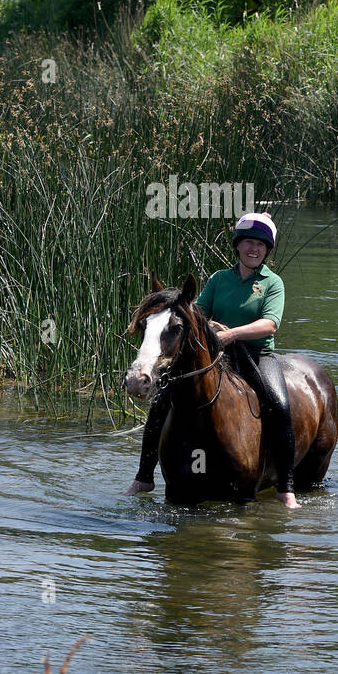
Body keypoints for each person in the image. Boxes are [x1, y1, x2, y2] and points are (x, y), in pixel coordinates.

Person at [127, 212, 300, 508]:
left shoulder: (273, 283)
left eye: (260, 245)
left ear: (267, 250)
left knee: (279, 405)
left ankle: (286, 487)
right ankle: (144, 477)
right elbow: (197, 313)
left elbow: (270, 324)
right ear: (238, 246)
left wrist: (232, 333)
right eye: (248, 242)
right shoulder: (220, 279)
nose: (253, 249)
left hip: (257, 354)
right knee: (161, 402)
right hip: (217, 351)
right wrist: (211, 327)